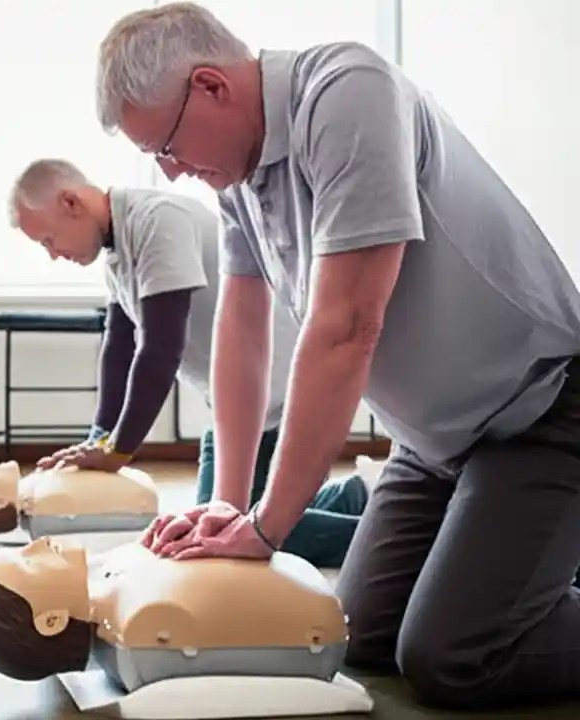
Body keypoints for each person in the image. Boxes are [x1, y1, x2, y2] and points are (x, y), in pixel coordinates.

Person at [95, 2, 580, 709]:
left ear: (212, 87)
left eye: (166, 148)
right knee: (353, 630)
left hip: (543, 413)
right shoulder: (239, 179)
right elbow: (243, 333)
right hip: (435, 445)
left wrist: (268, 526)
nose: (169, 174)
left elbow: (347, 325)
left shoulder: (347, 91)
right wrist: (229, 503)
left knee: (451, 656)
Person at [9, 158, 368, 568]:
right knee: (218, 530)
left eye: (49, 240)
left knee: (227, 536)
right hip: (239, 408)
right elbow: (120, 347)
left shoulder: (158, 222)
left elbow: (160, 350)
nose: (54, 255)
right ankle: (356, 497)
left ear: (72, 202)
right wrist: (100, 438)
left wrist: (117, 450)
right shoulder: (117, 250)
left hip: (284, 395)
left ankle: (397, 534)